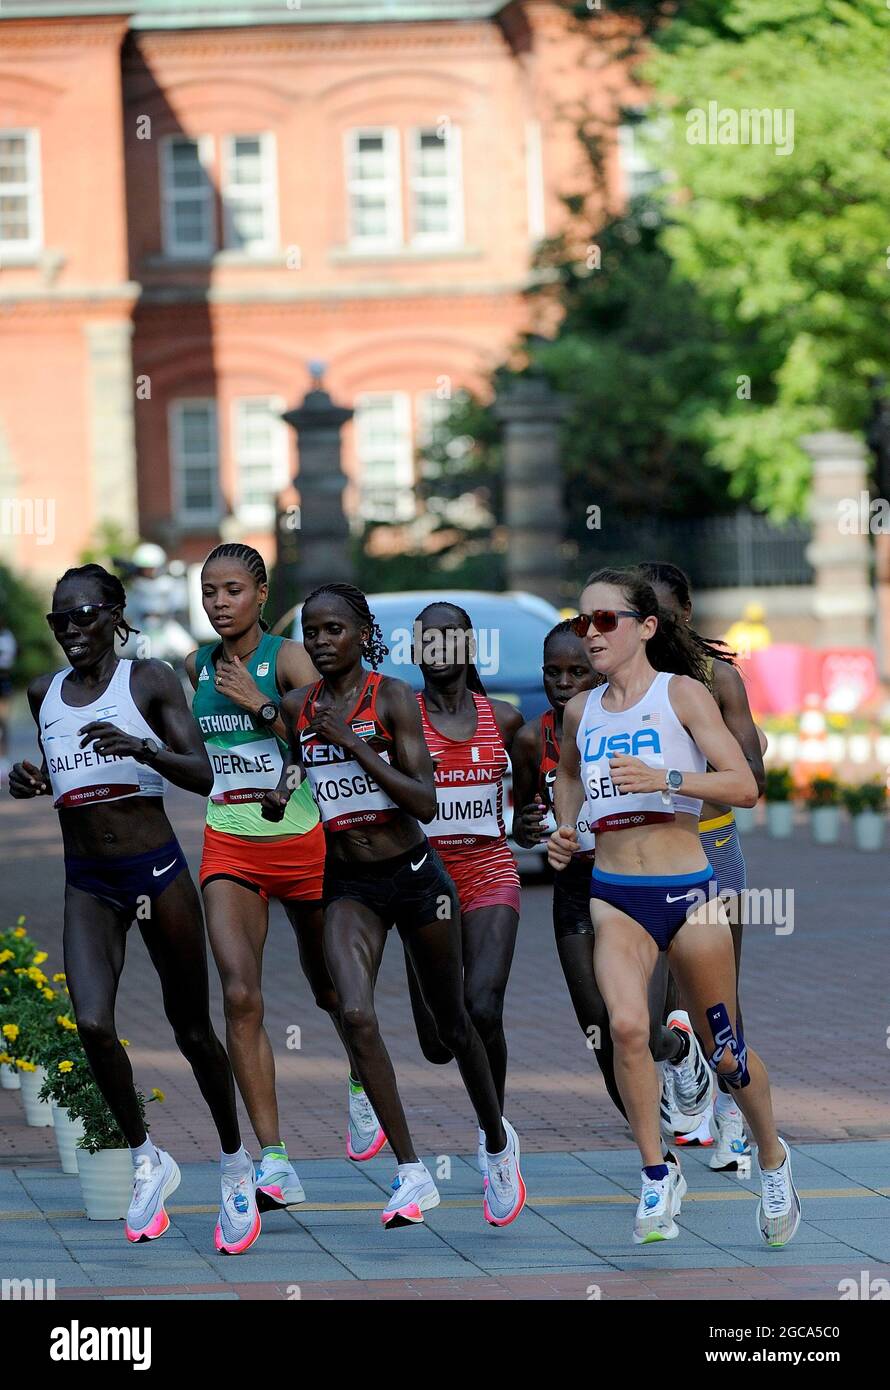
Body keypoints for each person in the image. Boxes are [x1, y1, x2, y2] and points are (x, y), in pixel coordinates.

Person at [8, 564, 260, 1254]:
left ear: (115, 615)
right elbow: (66, 768)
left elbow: (203, 773)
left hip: (154, 872)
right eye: (59, 620)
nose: (71, 630)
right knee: (92, 1023)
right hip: (88, 881)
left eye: (84, 615)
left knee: (192, 1030)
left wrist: (143, 747)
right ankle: (148, 1158)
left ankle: (235, 1163)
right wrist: (33, 780)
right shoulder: (43, 693)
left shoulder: (147, 680)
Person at [548, 568, 800, 1247]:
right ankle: (657, 1174)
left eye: (606, 620)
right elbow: (567, 775)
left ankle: (772, 1157)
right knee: (627, 1028)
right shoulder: (581, 711)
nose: (590, 634)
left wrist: (668, 779)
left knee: (726, 1053)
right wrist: (565, 827)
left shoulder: (682, 694)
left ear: (647, 628)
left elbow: (744, 784)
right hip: (615, 897)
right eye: (582, 621)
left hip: (690, 892)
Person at [263, 582, 525, 1229]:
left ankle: (497, 1143)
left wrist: (353, 743)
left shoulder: (393, 698)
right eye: (311, 632)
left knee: (453, 1026)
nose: (321, 642)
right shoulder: (299, 706)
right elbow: (298, 761)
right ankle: (410, 1172)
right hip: (349, 884)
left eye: (334, 630)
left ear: (363, 635)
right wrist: (281, 792)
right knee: (355, 1013)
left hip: (414, 877)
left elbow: (424, 801)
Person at [186, 544, 384, 1213]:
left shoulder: (290, 659)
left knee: (332, 990)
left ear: (261, 594)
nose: (219, 603)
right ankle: (273, 1161)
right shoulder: (196, 666)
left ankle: (361, 1080)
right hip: (230, 845)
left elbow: (323, 740)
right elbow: (204, 761)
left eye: (232, 590)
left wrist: (261, 706)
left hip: (305, 843)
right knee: (240, 995)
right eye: (209, 591)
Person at [511, 620, 689, 1137]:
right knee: (599, 1026)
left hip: (634, 885)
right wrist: (527, 828)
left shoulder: (630, 721)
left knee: (639, 1027)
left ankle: (680, 1051)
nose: (563, 683)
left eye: (577, 671)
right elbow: (525, 819)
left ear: (601, 670)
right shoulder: (531, 738)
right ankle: (654, 1149)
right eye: (553, 672)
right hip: (574, 890)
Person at [638, 562, 767, 1168]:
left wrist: (677, 771)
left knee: (720, 993)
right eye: (644, 616)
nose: (655, 627)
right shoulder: (623, 683)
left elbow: (752, 779)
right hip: (643, 852)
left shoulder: (718, 679)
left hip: (711, 845)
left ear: (685, 613)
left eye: (665, 614)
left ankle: (733, 1113)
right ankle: (682, 1070)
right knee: (655, 998)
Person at [406, 601, 523, 1180]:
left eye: (450, 637)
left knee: (482, 1007)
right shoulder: (398, 717)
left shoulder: (504, 719)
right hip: (422, 881)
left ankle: (493, 1131)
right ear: (414, 650)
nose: (439, 648)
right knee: (437, 1043)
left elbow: (533, 791)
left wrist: (535, 819)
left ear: (469, 646)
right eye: (428, 638)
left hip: (489, 871)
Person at [0, 614, 17, 776]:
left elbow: (6, 663)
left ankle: (3, 760)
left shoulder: (6, 638)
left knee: (2, 722)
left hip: (2, 681)